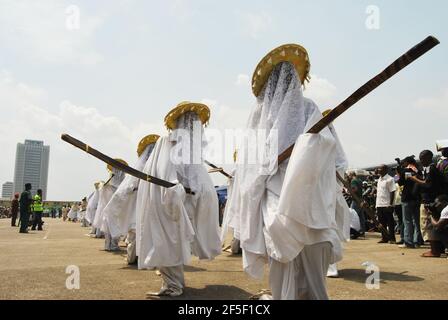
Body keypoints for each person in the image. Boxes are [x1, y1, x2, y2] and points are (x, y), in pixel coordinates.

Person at [223, 44, 348, 300]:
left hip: (297, 203)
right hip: (295, 203)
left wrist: (304, 148)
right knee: (301, 270)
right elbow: (252, 164)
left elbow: (328, 151)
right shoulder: (269, 113)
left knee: (294, 267)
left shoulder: (307, 109)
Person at [137, 102, 221, 297]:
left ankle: (174, 284)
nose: (192, 126)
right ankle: (174, 283)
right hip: (171, 197)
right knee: (171, 240)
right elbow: (165, 172)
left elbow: (194, 178)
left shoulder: (192, 149)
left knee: (173, 240)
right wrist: (175, 190)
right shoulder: (168, 142)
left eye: (195, 122)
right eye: (189, 121)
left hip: (185, 200)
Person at [104, 134, 159, 264]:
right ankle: (135, 257)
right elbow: (129, 187)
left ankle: (148, 258)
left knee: (150, 231)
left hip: (152, 204)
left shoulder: (159, 167)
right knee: (136, 231)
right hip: (137, 204)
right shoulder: (139, 169)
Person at [408, 150, 445, 257]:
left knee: (428, 226)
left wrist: (414, 178)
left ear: (429, 157)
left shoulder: (432, 169)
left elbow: (428, 185)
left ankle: (434, 251)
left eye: (423, 158)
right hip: (430, 201)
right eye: (420, 158)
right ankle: (437, 249)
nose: (421, 160)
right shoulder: (428, 169)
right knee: (430, 225)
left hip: (430, 202)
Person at [92, 160, 127, 249]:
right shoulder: (110, 185)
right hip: (113, 210)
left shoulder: (110, 185)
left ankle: (109, 245)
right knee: (113, 226)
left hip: (111, 210)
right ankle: (111, 245)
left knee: (110, 227)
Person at [397, 156, 422, 248]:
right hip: (417, 198)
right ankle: (417, 241)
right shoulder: (418, 170)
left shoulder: (405, 171)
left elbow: (400, 182)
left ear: (407, 162)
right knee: (416, 221)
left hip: (407, 198)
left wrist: (400, 172)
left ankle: (408, 242)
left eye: (403, 162)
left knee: (407, 220)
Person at [375, 164, 397, 244]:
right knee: (381, 222)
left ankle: (392, 238)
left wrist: (390, 204)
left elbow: (392, 192)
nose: (378, 170)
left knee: (390, 222)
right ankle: (384, 238)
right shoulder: (379, 179)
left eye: (380, 168)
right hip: (379, 204)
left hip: (387, 204)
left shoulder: (390, 179)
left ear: (385, 170)